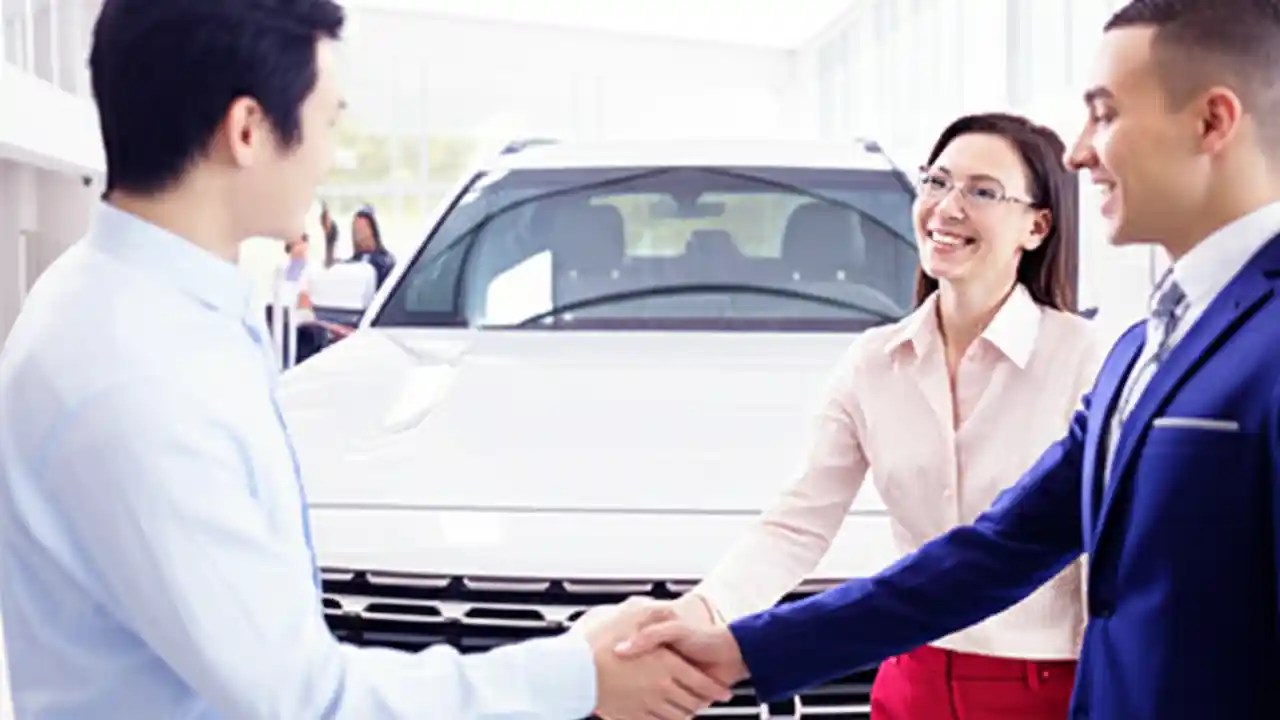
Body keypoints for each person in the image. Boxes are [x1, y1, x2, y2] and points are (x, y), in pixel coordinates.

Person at [0, 1, 730, 718]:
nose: (333, 156)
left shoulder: (138, 309)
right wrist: (575, 676)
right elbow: (304, 699)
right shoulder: (134, 376)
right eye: (330, 121)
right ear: (249, 131)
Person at [617, 1, 1280, 718]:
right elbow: (997, 551)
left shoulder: (1111, 350)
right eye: (936, 181)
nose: (1080, 150)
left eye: (1105, 114)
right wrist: (744, 643)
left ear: (1212, 122)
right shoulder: (1141, 350)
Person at [653, 112, 1103, 719]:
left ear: (1037, 225)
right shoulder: (873, 361)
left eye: (982, 191)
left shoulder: (1087, 360)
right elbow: (798, 524)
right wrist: (698, 616)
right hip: (908, 682)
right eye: (937, 182)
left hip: (1047, 691)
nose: (947, 207)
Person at [349, 204, 395, 288]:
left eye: (362, 230)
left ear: (372, 231)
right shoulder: (351, 265)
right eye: (356, 231)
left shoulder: (385, 262)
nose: (358, 236)